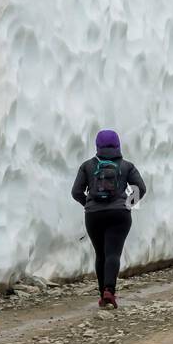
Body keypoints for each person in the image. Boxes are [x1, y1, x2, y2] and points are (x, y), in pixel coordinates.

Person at [71, 129, 146, 308]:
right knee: (113, 253)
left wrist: (88, 204)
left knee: (100, 254)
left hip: (93, 215)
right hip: (119, 214)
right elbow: (140, 188)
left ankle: (102, 294)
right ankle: (109, 291)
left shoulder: (87, 166)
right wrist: (128, 204)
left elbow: (76, 192)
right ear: (118, 145)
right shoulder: (127, 166)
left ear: (97, 146)